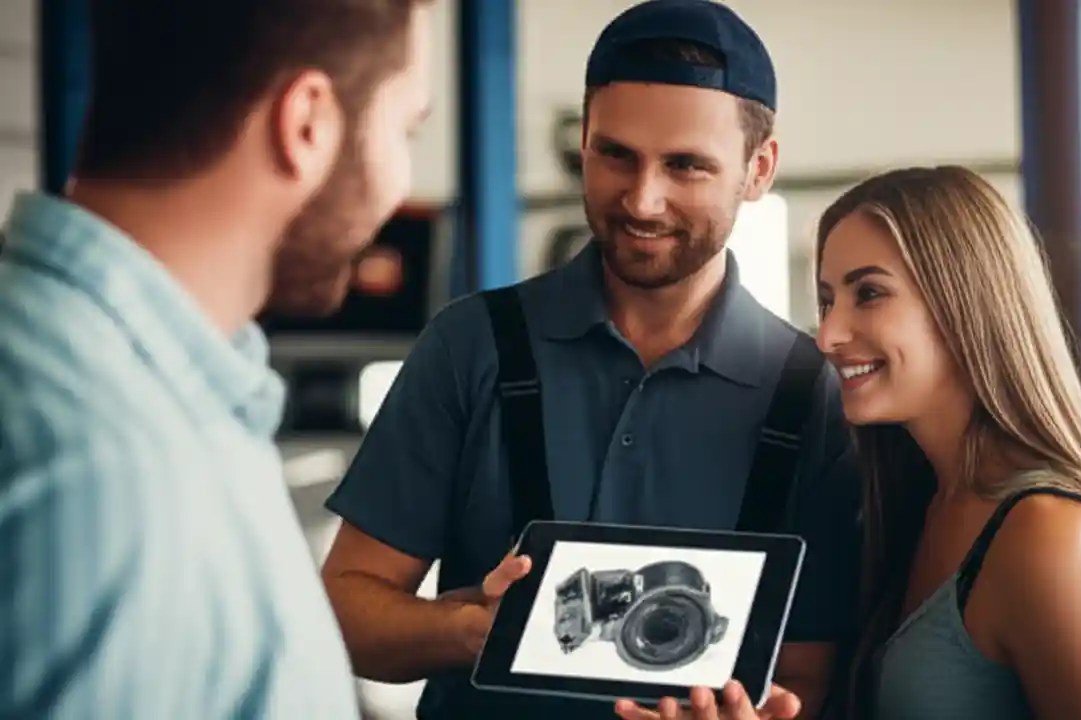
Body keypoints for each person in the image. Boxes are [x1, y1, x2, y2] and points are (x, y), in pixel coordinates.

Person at [319, 1, 862, 718]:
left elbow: (806, 678)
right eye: (615, 155)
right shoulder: (470, 346)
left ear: (757, 170)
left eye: (685, 166)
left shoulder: (815, 397)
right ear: (583, 141)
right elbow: (343, 612)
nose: (643, 199)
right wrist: (468, 630)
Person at [0, 1, 435, 717]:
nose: (399, 183)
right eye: (404, 129)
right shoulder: (101, 473)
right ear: (307, 124)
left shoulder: (160, 390)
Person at [812, 166, 1081, 720]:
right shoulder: (913, 506)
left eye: (869, 294)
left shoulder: (1051, 535)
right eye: (827, 300)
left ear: (966, 302)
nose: (828, 335)